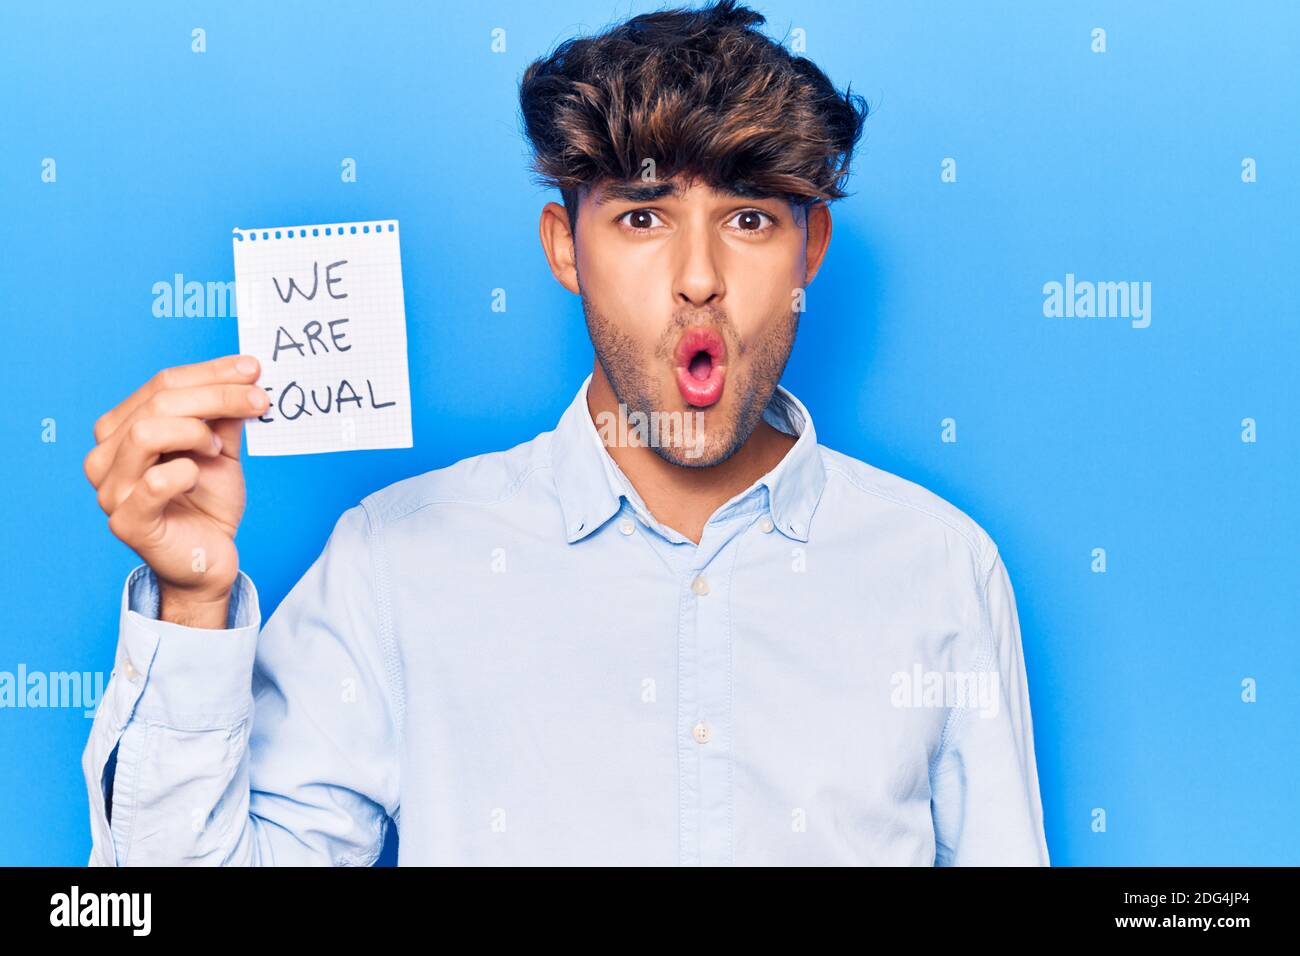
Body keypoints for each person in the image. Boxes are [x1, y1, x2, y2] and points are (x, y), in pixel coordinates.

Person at [80, 0, 1049, 866]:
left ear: (810, 249)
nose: (699, 277)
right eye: (641, 216)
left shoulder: (941, 572)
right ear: (562, 249)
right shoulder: (395, 562)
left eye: (749, 218)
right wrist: (192, 601)